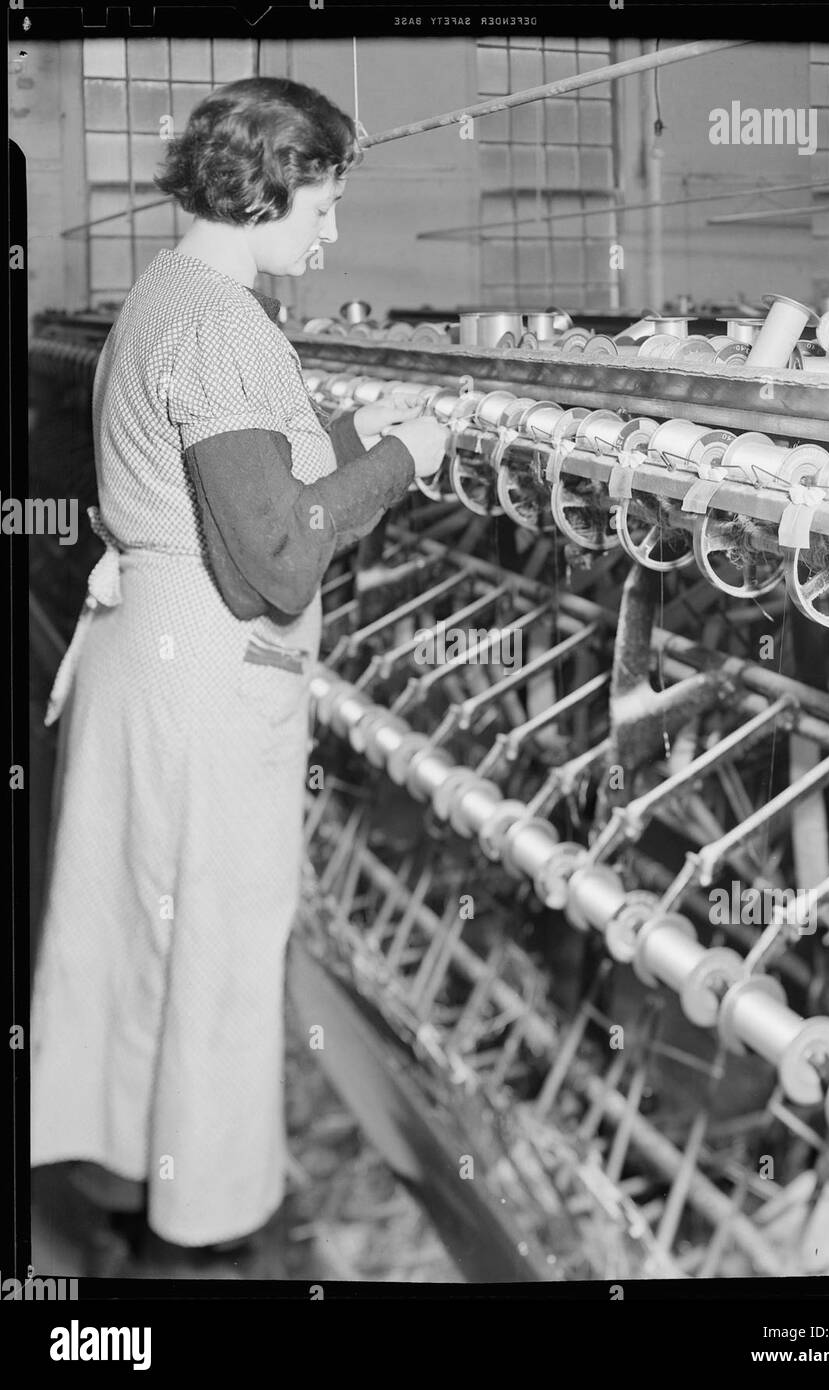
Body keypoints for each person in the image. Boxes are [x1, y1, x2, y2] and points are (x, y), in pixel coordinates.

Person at [30, 76, 448, 1270]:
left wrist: (358, 441)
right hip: (204, 682)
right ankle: (205, 1240)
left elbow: (260, 474)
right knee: (211, 955)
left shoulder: (168, 295)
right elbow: (273, 553)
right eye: (322, 200)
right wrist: (409, 457)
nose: (330, 229)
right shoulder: (223, 323)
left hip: (146, 661)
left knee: (135, 947)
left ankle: (122, 1188)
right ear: (269, 187)